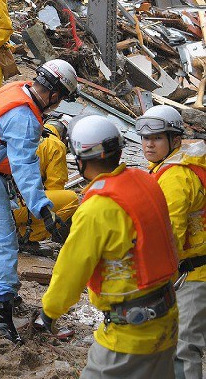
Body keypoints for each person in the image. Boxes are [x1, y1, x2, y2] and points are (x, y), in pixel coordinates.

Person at [39, 114, 179, 379]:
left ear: (80, 160)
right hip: (167, 320)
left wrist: (49, 311)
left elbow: (71, 269)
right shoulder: (147, 181)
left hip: (129, 334)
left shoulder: (97, 208)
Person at [0, 59, 78, 343]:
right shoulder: (24, 118)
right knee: (3, 243)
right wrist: (42, 208)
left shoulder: (17, 89)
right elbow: (25, 167)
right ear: (54, 94)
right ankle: (1, 314)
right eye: (61, 99)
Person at [137, 105, 205, 379]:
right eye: (145, 138)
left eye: (156, 138)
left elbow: (170, 234)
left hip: (192, 274)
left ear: (175, 140)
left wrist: (150, 279)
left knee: (183, 348)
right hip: (190, 270)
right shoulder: (173, 167)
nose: (148, 144)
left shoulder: (176, 178)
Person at [14, 114, 79, 250]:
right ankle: (27, 236)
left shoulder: (30, 132)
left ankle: (16, 229)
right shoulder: (56, 145)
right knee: (71, 199)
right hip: (14, 208)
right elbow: (55, 188)